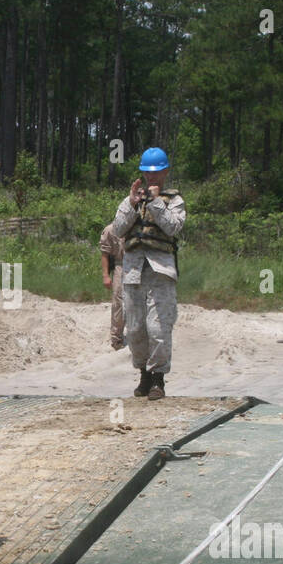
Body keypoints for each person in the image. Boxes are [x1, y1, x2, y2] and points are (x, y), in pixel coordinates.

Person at [111, 146, 186, 400]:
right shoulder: (131, 198)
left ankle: (158, 379)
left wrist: (155, 202)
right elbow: (119, 229)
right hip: (133, 270)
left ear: (165, 172)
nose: (152, 177)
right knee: (135, 328)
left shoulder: (174, 201)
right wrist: (132, 204)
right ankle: (143, 374)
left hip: (160, 271)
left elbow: (173, 227)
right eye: (148, 173)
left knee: (158, 327)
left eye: (157, 172)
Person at [99, 222, 125, 350]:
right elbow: (105, 253)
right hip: (121, 264)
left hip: (139, 265)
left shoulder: (138, 226)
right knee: (119, 302)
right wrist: (106, 276)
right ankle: (117, 339)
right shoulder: (110, 229)